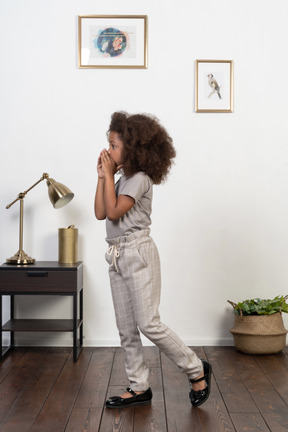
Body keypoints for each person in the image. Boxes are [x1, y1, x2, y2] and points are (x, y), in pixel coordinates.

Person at [94, 111, 212, 409]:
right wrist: (102, 176)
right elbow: (99, 212)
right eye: (108, 144)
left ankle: (196, 368)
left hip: (138, 253)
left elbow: (114, 212)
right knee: (126, 326)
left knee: (148, 322)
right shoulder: (119, 178)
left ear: (133, 149)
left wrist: (108, 176)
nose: (108, 150)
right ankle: (138, 386)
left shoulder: (140, 180)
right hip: (117, 254)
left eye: (114, 145)